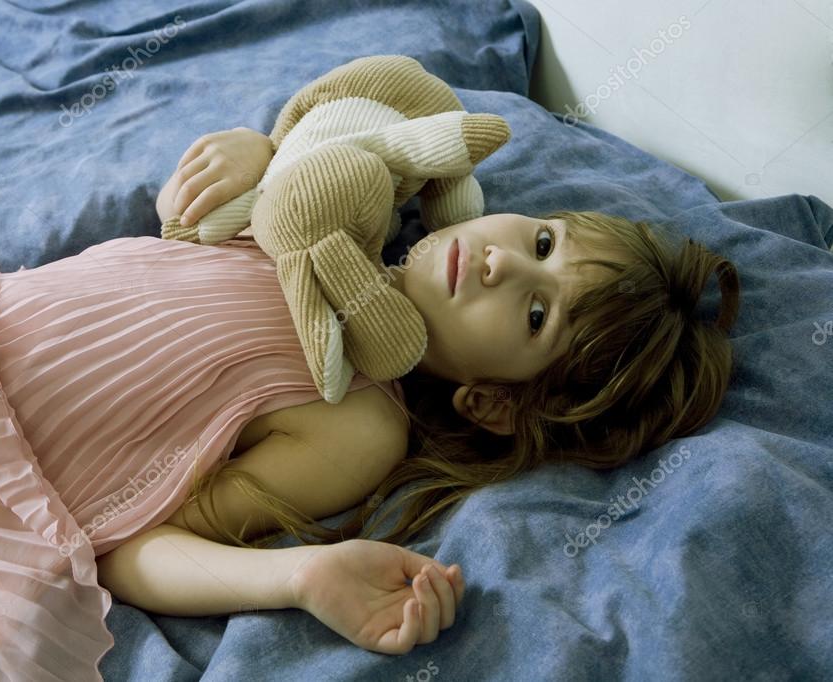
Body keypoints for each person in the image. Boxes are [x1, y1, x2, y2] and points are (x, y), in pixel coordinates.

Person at [118, 125, 740, 653]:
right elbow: (179, 227)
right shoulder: (336, 225)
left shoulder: (357, 425)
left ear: (493, 402)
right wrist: (257, 154)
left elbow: (129, 545)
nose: (504, 262)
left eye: (535, 316)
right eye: (543, 243)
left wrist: (300, 576)